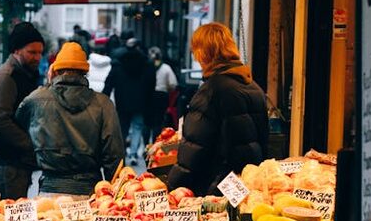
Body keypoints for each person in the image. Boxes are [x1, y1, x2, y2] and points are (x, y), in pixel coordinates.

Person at [167, 23, 269, 195]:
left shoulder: (212, 91)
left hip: (214, 189)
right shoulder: (253, 87)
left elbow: (195, 149)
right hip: (244, 188)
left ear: (203, 53)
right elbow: (263, 141)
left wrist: (172, 186)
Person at [16, 42, 124, 196]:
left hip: (49, 192)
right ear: (85, 72)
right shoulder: (103, 104)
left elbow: (19, 126)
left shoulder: (36, 100)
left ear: (55, 70)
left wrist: (48, 85)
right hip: (90, 192)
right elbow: (114, 155)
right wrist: (115, 196)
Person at [0, 21, 44, 203]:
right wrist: (29, 144)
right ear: (17, 50)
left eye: (40, 52)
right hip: (6, 162)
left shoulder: (24, 73)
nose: (37, 57)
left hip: (15, 161)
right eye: (32, 52)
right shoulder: (6, 77)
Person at [103, 36, 155, 165]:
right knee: (137, 127)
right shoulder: (146, 63)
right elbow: (151, 83)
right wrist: (149, 99)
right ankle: (133, 154)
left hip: (122, 102)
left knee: (122, 129)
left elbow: (109, 83)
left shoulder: (118, 63)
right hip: (140, 102)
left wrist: (105, 99)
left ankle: (121, 155)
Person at [147, 47, 178, 142]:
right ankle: (154, 142)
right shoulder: (166, 68)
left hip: (148, 96)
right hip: (162, 96)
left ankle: (145, 143)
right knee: (158, 121)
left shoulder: (146, 67)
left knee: (147, 121)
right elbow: (173, 84)